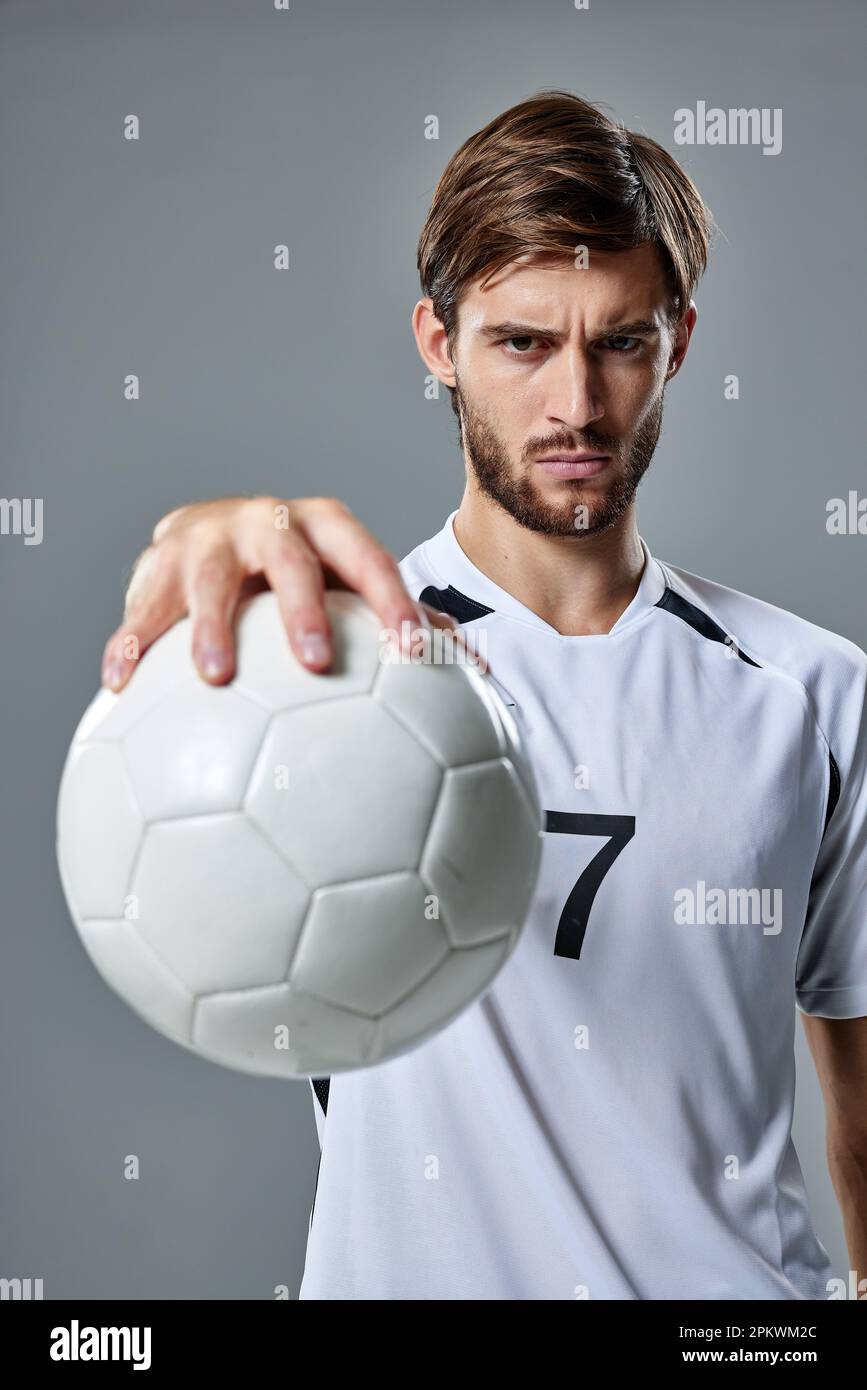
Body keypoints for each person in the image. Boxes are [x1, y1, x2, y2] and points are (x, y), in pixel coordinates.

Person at [101, 91, 867, 1300]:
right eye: (521, 342)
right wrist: (218, 545)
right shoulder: (331, 665)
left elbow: (860, 1086)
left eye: (622, 340)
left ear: (681, 343)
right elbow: (203, 648)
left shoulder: (812, 691)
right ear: (437, 343)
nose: (575, 405)